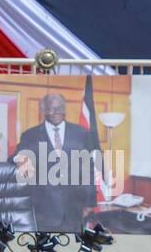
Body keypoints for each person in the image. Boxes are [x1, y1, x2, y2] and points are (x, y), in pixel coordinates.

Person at [12, 92, 100, 233]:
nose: (57, 112)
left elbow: (88, 169)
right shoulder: (30, 135)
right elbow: (16, 156)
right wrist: (21, 159)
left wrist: (90, 202)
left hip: (74, 211)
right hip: (44, 211)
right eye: (52, 108)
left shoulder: (81, 133)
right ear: (44, 110)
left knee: (72, 251)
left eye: (60, 107)